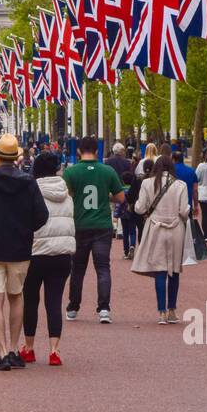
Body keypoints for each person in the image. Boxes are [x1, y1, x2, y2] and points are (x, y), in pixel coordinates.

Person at [0, 134, 49, 370]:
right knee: (16, 298)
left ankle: (2, 352)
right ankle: (14, 349)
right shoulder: (28, 181)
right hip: (19, 247)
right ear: (15, 157)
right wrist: (24, 229)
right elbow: (42, 216)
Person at [19, 152, 74, 366]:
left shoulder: (29, 192)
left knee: (30, 301)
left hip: (35, 251)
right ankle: (54, 350)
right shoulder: (66, 194)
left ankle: (29, 347)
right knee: (54, 302)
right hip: (61, 252)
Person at [62, 136, 124, 324]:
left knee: (78, 269)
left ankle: (73, 307)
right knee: (103, 268)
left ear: (79, 151)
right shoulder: (108, 171)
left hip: (80, 225)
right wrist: (107, 198)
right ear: (96, 151)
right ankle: (104, 309)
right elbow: (121, 198)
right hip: (102, 226)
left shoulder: (71, 172)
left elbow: (66, 196)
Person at [130, 154, 189, 324]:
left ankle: (161, 312)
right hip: (176, 228)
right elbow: (184, 211)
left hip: (155, 228)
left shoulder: (147, 183)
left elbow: (140, 209)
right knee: (175, 270)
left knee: (160, 271)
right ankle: (172, 310)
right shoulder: (180, 185)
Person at [118, 170, 138, 259]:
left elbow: (119, 203)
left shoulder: (121, 190)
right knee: (133, 231)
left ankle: (126, 252)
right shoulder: (134, 190)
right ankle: (132, 246)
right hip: (132, 213)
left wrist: (116, 215)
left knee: (125, 233)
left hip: (123, 214)